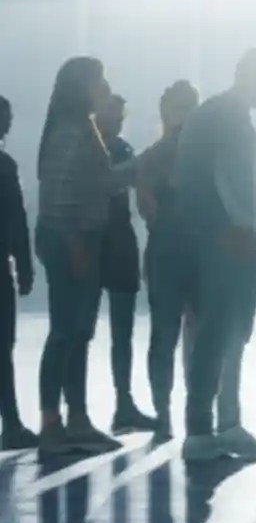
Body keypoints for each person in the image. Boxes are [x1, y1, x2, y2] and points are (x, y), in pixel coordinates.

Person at [173, 48, 256, 462]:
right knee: (214, 335)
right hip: (222, 245)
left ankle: (228, 424)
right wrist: (222, 232)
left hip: (238, 241)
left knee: (232, 335)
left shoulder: (232, 118)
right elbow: (195, 182)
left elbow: (231, 182)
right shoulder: (217, 118)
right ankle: (200, 430)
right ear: (251, 75)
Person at [35, 57, 130, 455]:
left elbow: (104, 182)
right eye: (98, 80)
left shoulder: (79, 127)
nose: (105, 87)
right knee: (65, 331)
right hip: (70, 239)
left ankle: (76, 420)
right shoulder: (71, 130)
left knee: (78, 331)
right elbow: (58, 192)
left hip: (78, 239)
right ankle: (53, 426)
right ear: (83, 86)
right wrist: (75, 242)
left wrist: (145, 163)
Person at [136, 80, 200, 439]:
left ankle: (195, 404)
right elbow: (147, 208)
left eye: (189, 106)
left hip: (197, 251)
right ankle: (162, 409)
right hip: (166, 251)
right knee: (165, 334)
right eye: (178, 107)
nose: (184, 114)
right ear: (166, 112)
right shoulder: (154, 156)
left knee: (197, 331)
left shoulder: (206, 154)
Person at [93, 94, 157, 435]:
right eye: (112, 115)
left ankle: (124, 403)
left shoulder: (124, 148)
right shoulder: (84, 149)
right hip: (92, 238)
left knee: (123, 330)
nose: (117, 122)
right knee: (80, 329)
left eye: (121, 116)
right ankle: (74, 411)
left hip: (119, 238)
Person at [0, 95, 37, 450]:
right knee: (1, 349)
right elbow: (16, 223)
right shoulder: (5, 166)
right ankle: (10, 423)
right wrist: (24, 267)